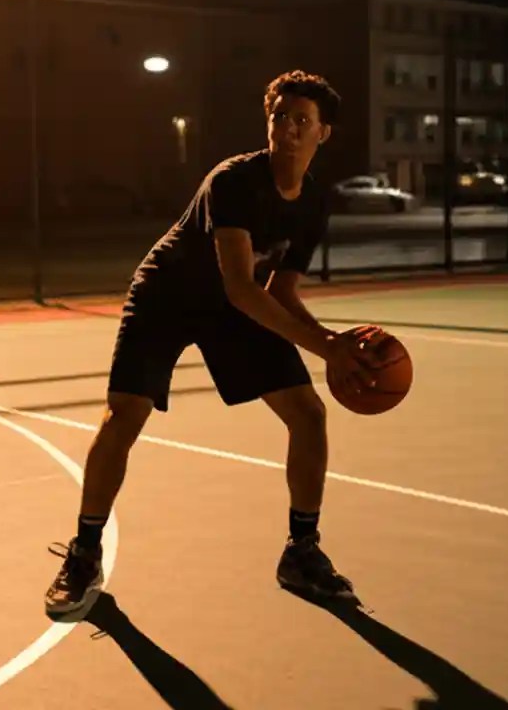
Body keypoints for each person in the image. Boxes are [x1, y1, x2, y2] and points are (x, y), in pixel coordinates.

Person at [44, 70, 378, 616]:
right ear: (267, 122)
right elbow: (243, 288)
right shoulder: (234, 181)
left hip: (232, 307)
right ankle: (84, 551)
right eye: (280, 117)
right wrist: (326, 350)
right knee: (124, 414)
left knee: (308, 414)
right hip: (167, 296)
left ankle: (301, 551)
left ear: (323, 134)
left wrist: (330, 339)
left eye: (302, 120)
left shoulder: (314, 200)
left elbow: (281, 290)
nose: (289, 129)